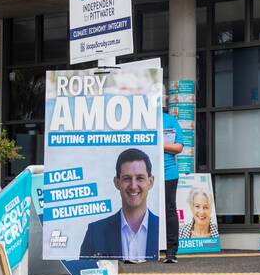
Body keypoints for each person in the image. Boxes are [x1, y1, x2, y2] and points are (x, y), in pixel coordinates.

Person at [78, 149, 160, 262]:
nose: (133, 186)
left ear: (150, 182)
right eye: (127, 178)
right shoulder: (95, 232)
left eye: (140, 178)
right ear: (117, 183)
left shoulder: (163, 229)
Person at [161, 93, 185, 264]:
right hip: (143, 176)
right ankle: (139, 252)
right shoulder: (141, 120)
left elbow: (179, 147)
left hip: (168, 173)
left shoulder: (170, 121)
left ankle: (171, 252)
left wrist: (158, 145)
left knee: (169, 210)